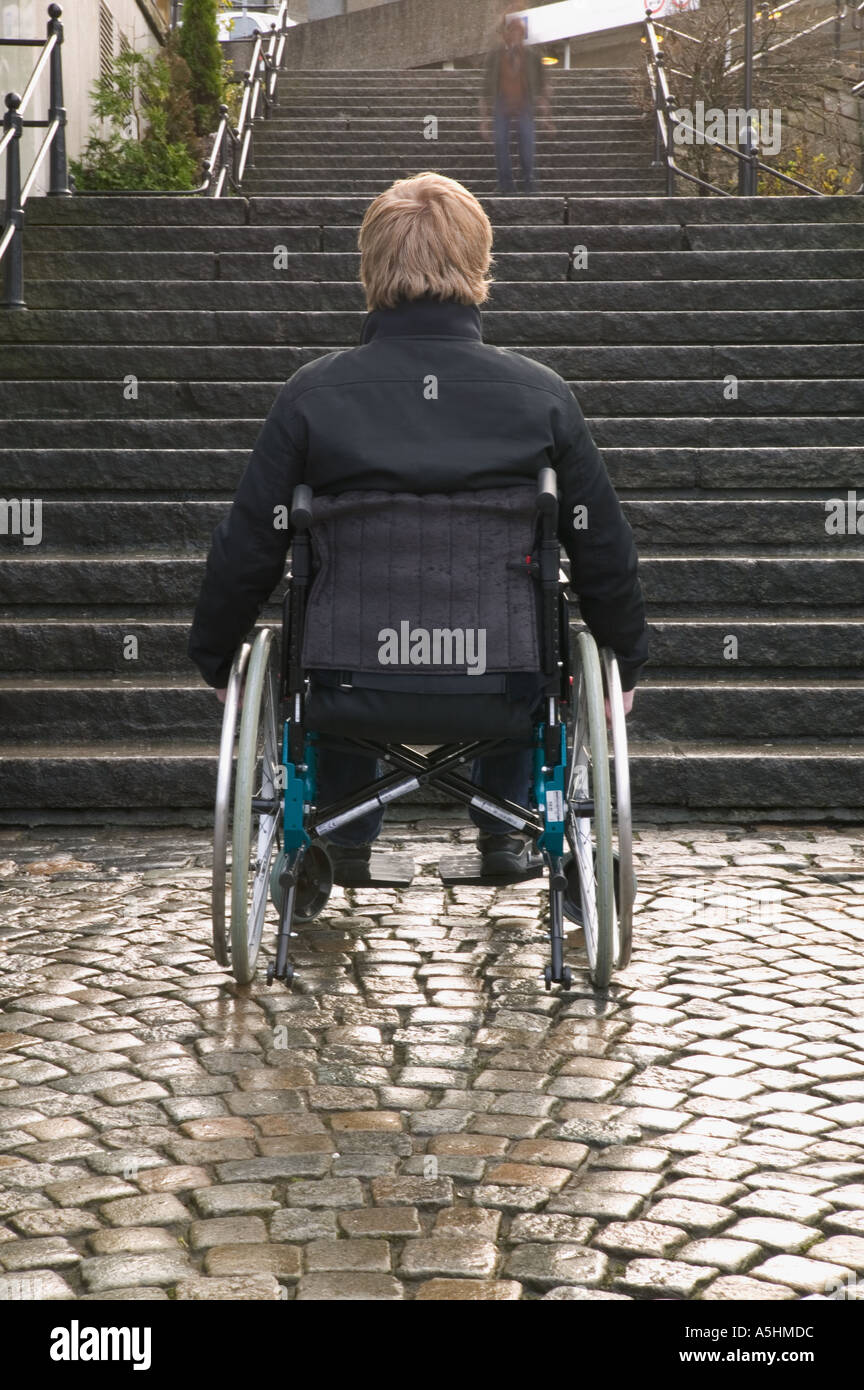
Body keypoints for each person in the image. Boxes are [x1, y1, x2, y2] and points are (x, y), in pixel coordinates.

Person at [188, 172, 648, 878]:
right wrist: (626, 661)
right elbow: (602, 549)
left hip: (351, 681)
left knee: (327, 611)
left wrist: (219, 658)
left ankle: (339, 838)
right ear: (478, 265)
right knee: (529, 609)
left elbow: (250, 545)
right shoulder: (540, 397)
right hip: (501, 683)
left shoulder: (314, 396)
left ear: (370, 267)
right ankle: (504, 830)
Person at [480, 15, 553, 195]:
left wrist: (546, 113)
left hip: (524, 103)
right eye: (512, 30)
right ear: (506, 34)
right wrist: (484, 118)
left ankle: (529, 182)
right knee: (500, 144)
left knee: (527, 145)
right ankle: (505, 184)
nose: (515, 34)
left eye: (519, 31)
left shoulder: (532, 56)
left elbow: (543, 83)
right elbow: (486, 85)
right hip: (501, 102)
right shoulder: (495, 56)